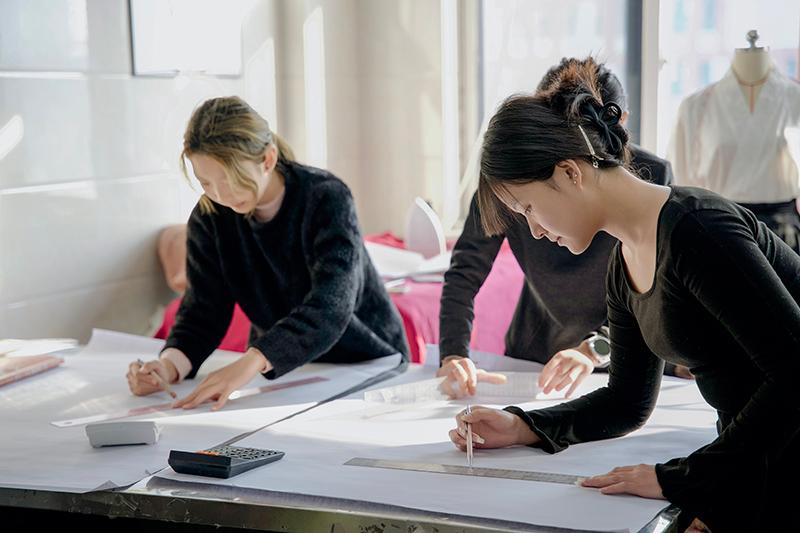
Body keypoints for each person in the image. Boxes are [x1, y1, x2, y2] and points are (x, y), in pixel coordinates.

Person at [446, 57, 800, 531]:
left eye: (529, 207)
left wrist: (686, 479)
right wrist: (525, 426)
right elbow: (627, 401)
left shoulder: (699, 230)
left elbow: (795, 376)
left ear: (570, 173)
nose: (533, 230)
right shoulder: (624, 263)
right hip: (757, 456)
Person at [127, 96, 409, 410]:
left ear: (268, 159)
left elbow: (331, 306)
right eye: (206, 182)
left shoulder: (325, 197)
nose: (221, 195)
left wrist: (252, 360)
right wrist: (167, 367)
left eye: (230, 179)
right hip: (282, 372)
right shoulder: (210, 217)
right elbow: (203, 311)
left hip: (368, 361)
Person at [438, 57, 684, 400]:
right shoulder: (515, 178)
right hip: (534, 352)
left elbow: (651, 296)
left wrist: (596, 348)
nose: (536, 230)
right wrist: (453, 353)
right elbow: (466, 268)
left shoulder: (657, 189)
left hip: (619, 349)